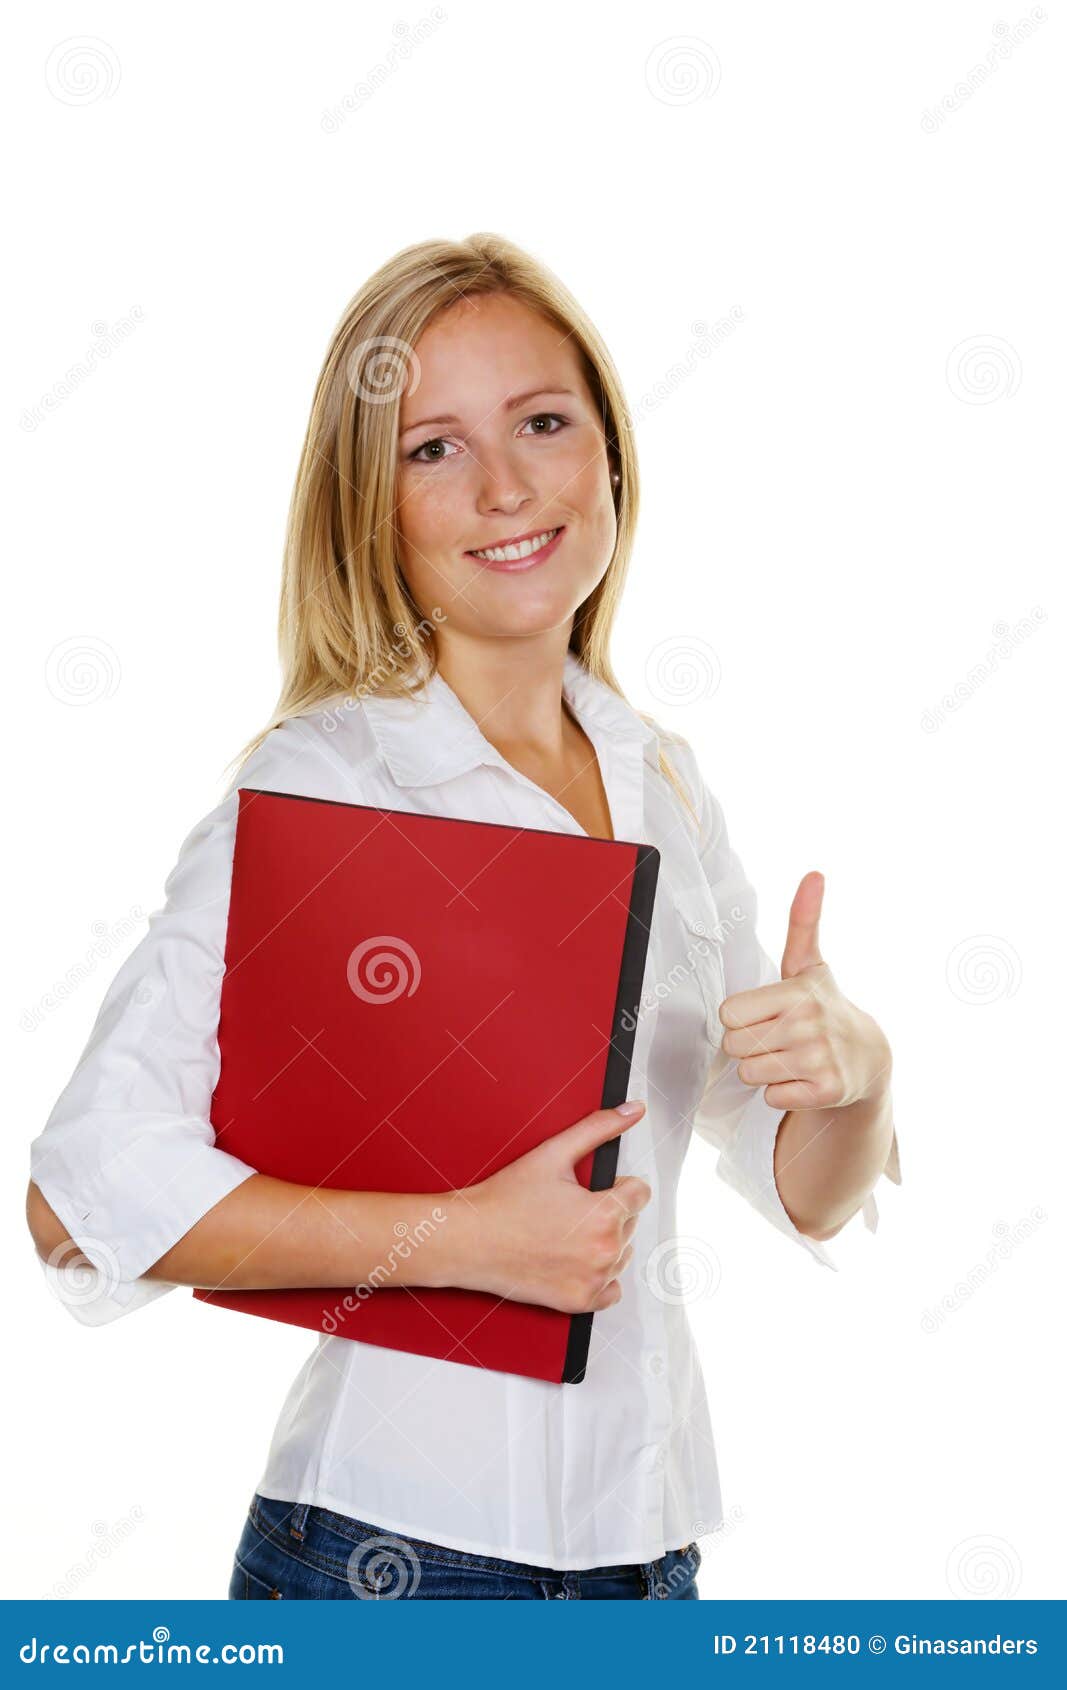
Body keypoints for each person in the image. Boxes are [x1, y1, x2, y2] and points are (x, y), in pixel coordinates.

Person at [25, 233, 900, 1601]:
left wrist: (856, 1073)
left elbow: (802, 1183)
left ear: (609, 451)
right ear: (368, 507)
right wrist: (466, 1241)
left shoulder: (661, 778)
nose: (504, 484)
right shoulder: (329, 781)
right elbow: (81, 1194)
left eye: (543, 422)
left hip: (644, 1564)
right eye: (432, 447)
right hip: (398, 1567)